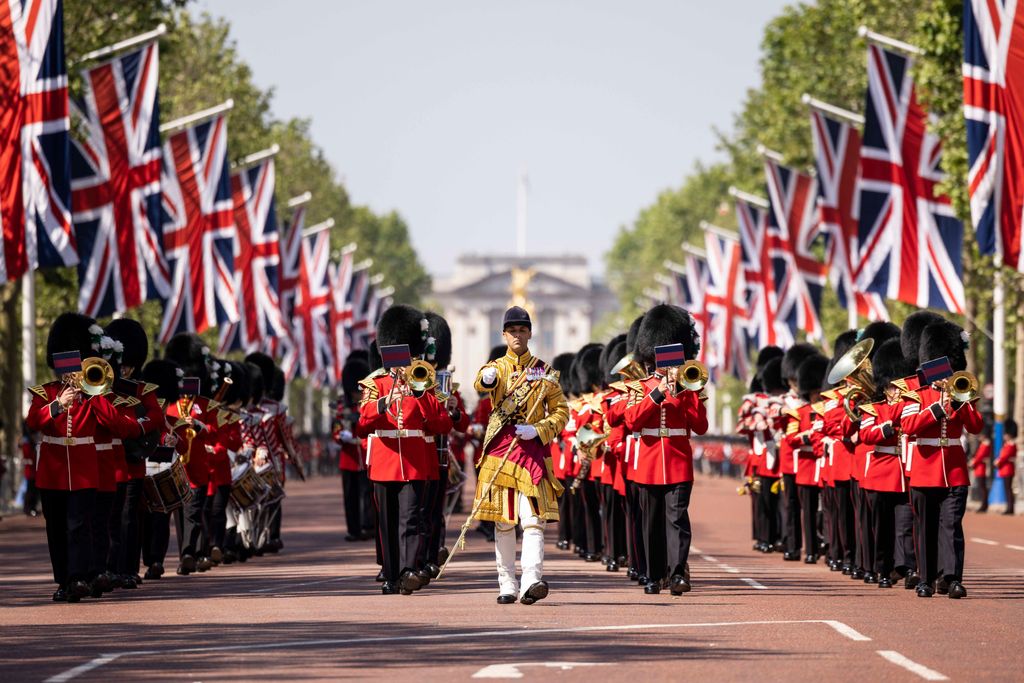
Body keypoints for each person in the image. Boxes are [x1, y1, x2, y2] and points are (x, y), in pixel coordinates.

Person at [26, 313, 143, 602]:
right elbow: (33, 422)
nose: (71, 374)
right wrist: (56, 405)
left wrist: (94, 396)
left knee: (79, 526)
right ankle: (64, 581)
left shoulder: (93, 396)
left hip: (84, 470)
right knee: (56, 529)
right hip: (52, 470)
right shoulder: (46, 393)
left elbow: (120, 425)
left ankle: (78, 577)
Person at [472, 306, 569, 605]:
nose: (517, 335)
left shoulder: (545, 372)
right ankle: (506, 583)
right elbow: (481, 385)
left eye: (522, 330)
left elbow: (561, 412)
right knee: (502, 522)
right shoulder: (495, 368)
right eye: (512, 331)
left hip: (531, 450)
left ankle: (531, 579)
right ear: (504, 334)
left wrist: (539, 429)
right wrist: (487, 379)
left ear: (530, 333)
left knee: (532, 519)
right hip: (500, 450)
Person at [356, 305, 453, 595]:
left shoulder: (425, 383)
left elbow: (443, 423)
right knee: (386, 522)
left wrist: (420, 396)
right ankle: (391, 573)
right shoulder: (375, 384)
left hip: (414, 461)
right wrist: (386, 401)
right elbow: (363, 423)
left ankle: (409, 571)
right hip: (385, 459)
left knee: (410, 519)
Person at [623, 304, 708, 596]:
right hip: (647, 461)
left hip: (678, 459)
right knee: (651, 523)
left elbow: (701, 426)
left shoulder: (690, 387)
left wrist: (683, 393)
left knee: (677, 520)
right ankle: (652, 574)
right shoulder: (640, 387)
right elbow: (633, 421)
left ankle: (677, 574)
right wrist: (658, 393)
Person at [900, 320, 983, 599]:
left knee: (952, 525)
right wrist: (937, 409)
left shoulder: (962, 390)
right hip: (925, 466)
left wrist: (961, 404)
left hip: (955, 467)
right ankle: (925, 578)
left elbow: (976, 426)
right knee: (925, 526)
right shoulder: (916, 393)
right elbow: (909, 426)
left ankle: (952, 578)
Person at [995, 420, 1017, 515]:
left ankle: (1010, 508)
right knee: (1007, 489)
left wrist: (998, 461)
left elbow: (1005, 456)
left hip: (1008, 469)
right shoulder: (1007, 444)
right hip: (1005, 469)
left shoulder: (1011, 444)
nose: (1004, 435)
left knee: (1008, 489)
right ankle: (1009, 507)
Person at [971, 427, 992, 513]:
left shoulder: (985, 444)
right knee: (982, 487)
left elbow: (980, 456)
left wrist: (972, 462)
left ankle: (984, 505)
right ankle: (984, 504)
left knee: (982, 488)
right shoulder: (984, 444)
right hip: (979, 467)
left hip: (981, 468)